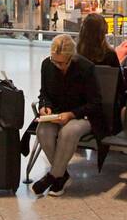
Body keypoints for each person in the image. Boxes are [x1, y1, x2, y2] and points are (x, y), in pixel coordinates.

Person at [33, 35, 105, 197]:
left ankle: (52, 177)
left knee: (68, 132)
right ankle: (61, 176)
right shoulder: (47, 65)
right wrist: (45, 106)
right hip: (58, 113)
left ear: (71, 57)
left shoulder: (86, 68)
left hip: (84, 115)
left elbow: (95, 103)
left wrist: (72, 114)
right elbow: (44, 93)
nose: (58, 66)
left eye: (62, 62)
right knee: (42, 131)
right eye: (55, 61)